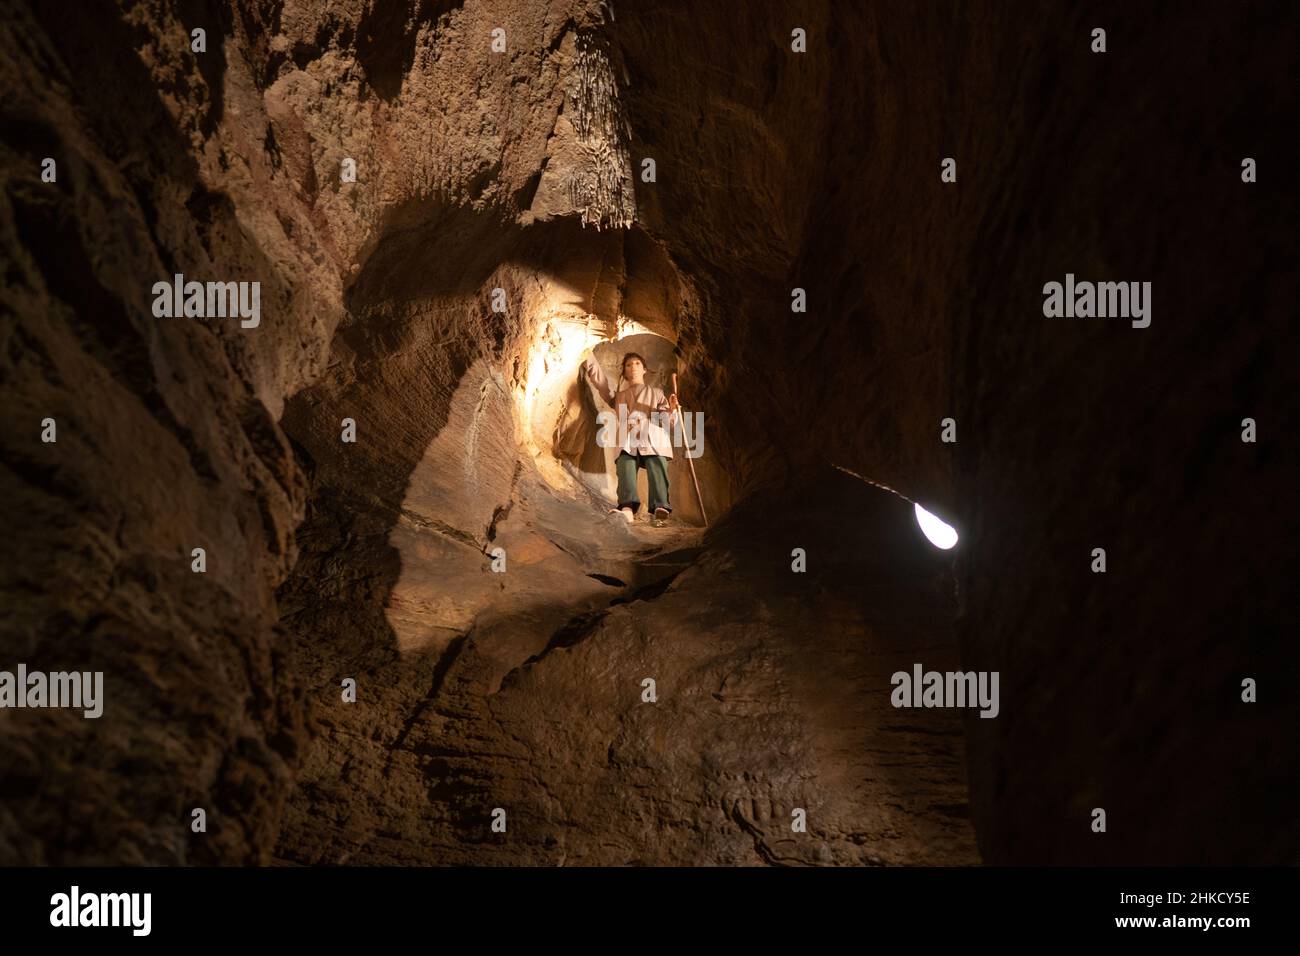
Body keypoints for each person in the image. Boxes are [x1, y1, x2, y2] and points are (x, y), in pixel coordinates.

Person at [581, 352, 679, 524]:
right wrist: (587, 357)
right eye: (628, 365)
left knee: (657, 465)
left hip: (652, 436)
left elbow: (668, 423)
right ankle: (626, 509)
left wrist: (671, 410)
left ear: (644, 370)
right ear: (624, 372)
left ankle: (659, 508)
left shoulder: (656, 393)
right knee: (625, 467)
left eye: (637, 364)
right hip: (627, 438)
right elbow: (602, 384)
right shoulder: (619, 396)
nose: (633, 367)